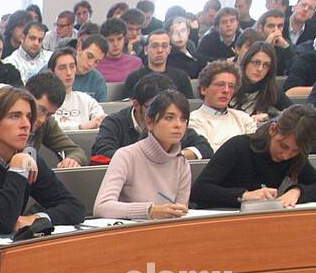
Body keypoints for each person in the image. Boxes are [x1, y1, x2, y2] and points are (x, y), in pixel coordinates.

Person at [0, 86, 85, 234]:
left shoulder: (28, 159)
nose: (26, 124)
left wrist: (36, 218)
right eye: (15, 116)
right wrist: (17, 170)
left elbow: (75, 208)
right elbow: (2, 222)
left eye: (28, 116)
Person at [191, 105, 316, 206]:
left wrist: (296, 191)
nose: (286, 156)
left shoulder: (294, 156)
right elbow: (200, 190)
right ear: (273, 129)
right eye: (283, 146)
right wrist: (244, 196)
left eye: (295, 151)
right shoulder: (238, 146)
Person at [93, 90, 192, 220]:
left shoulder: (182, 163)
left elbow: (180, 213)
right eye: (169, 118)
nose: (178, 125)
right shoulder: (126, 156)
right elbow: (101, 207)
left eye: (183, 119)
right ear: (150, 123)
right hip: (131, 232)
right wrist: (149, 211)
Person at [92, 72, 214, 159]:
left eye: (167, 112)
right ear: (136, 104)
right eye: (153, 107)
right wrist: (149, 159)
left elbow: (204, 148)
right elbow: (102, 152)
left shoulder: (174, 124)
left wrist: (176, 156)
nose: (159, 115)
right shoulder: (115, 122)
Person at [24, 73, 91, 167]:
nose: (42, 119)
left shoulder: (47, 123)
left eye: (49, 114)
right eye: (41, 110)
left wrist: (72, 160)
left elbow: (76, 152)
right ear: (26, 96)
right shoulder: (2, 118)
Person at [189, 61, 258, 151]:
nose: (226, 90)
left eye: (231, 86)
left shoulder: (243, 118)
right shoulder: (194, 120)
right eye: (220, 84)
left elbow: (256, 147)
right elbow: (206, 150)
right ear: (204, 89)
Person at [124, 29, 195, 98]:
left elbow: (189, 105)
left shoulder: (181, 77)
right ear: (146, 50)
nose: (160, 50)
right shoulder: (134, 78)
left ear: (169, 49)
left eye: (164, 46)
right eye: (154, 46)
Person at [47, 49, 106, 129]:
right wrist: (80, 127)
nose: (69, 72)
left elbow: (102, 120)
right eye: (62, 68)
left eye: (72, 67)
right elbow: (47, 126)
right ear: (51, 73)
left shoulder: (86, 100)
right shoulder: (44, 101)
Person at [234, 43, 291, 122]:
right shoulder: (231, 83)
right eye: (256, 62)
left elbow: (295, 112)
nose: (260, 69)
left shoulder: (270, 87)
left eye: (266, 65)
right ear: (246, 62)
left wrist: (269, 116)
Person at [97, 18, 143, 82]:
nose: (115, 44)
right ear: (104, 41)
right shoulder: (96, 64)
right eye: (110, 40)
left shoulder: (136, 63)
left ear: (124, 38)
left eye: (119, 39)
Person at [73, 34, 109, 100]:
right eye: (89, 56)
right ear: (79, 49)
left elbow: (102, 108)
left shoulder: (97, 80)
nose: (91, 64)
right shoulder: (58, 69)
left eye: (97, 62)